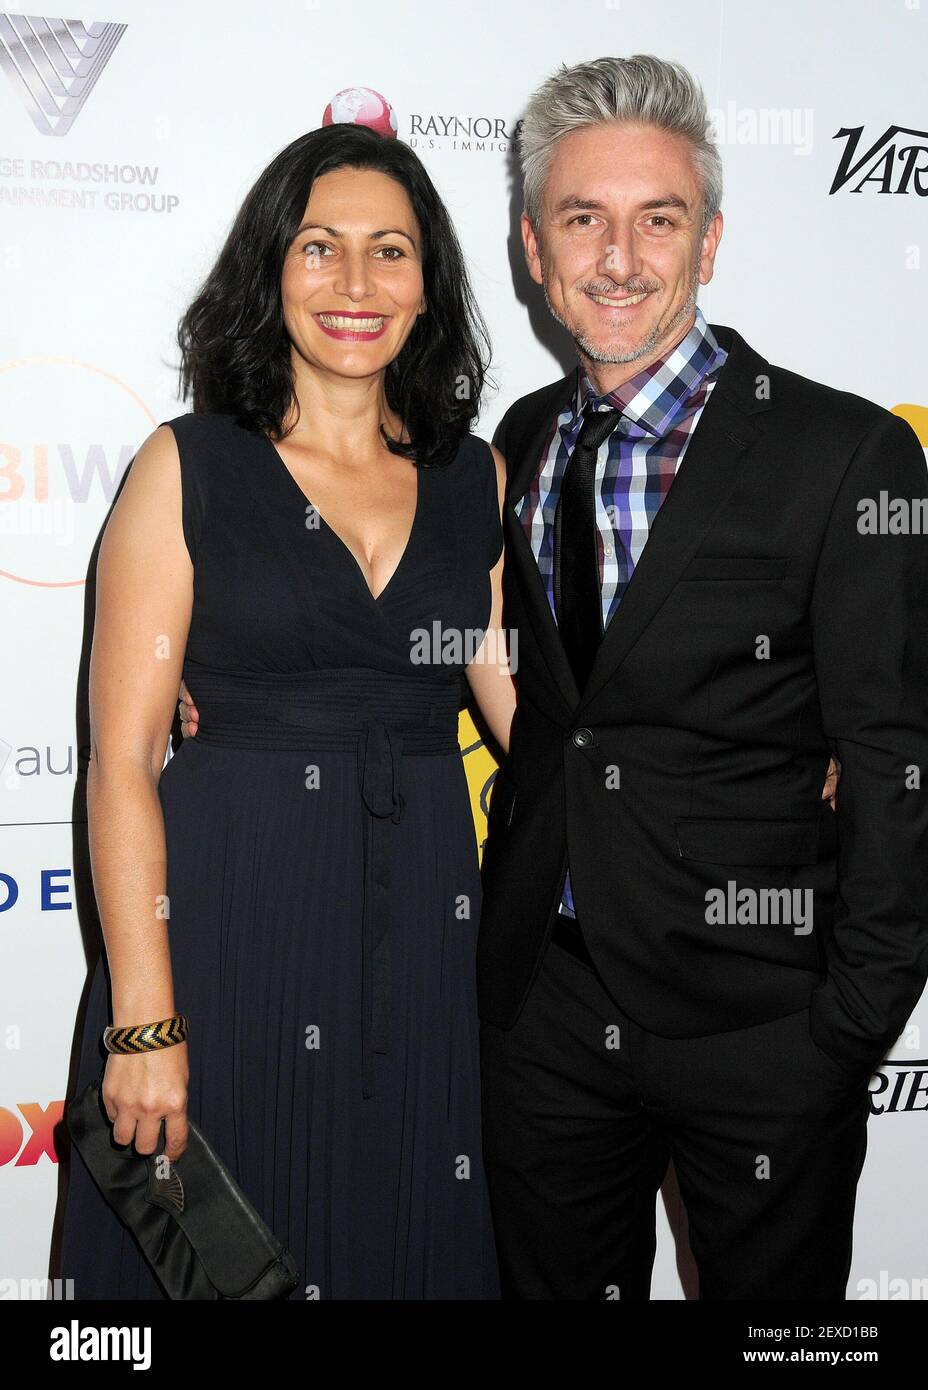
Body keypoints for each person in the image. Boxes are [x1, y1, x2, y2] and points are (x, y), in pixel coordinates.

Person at [473, 55, 928, 1299]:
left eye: (656, 220)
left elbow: (897, 754)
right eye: (583, 219)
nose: (619, 258)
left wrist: (847, 1028)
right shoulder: (524, 440)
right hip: (548, 1010)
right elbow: (544, 698)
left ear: (709, 240)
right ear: (532, 247)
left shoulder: (846, 452)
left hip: (762, 1020)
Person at [57, 122, 518, 1300]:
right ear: (272, 270)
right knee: (222, 1251)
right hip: (221, 926)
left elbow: (532, 719)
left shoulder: (477, 480)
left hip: (415, 933)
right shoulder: (190, 465)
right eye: (319, 248)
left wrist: (760, 762)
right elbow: (120, 759)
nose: (355, 285)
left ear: (430, 284)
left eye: (389, 252)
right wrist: (145, 1023)